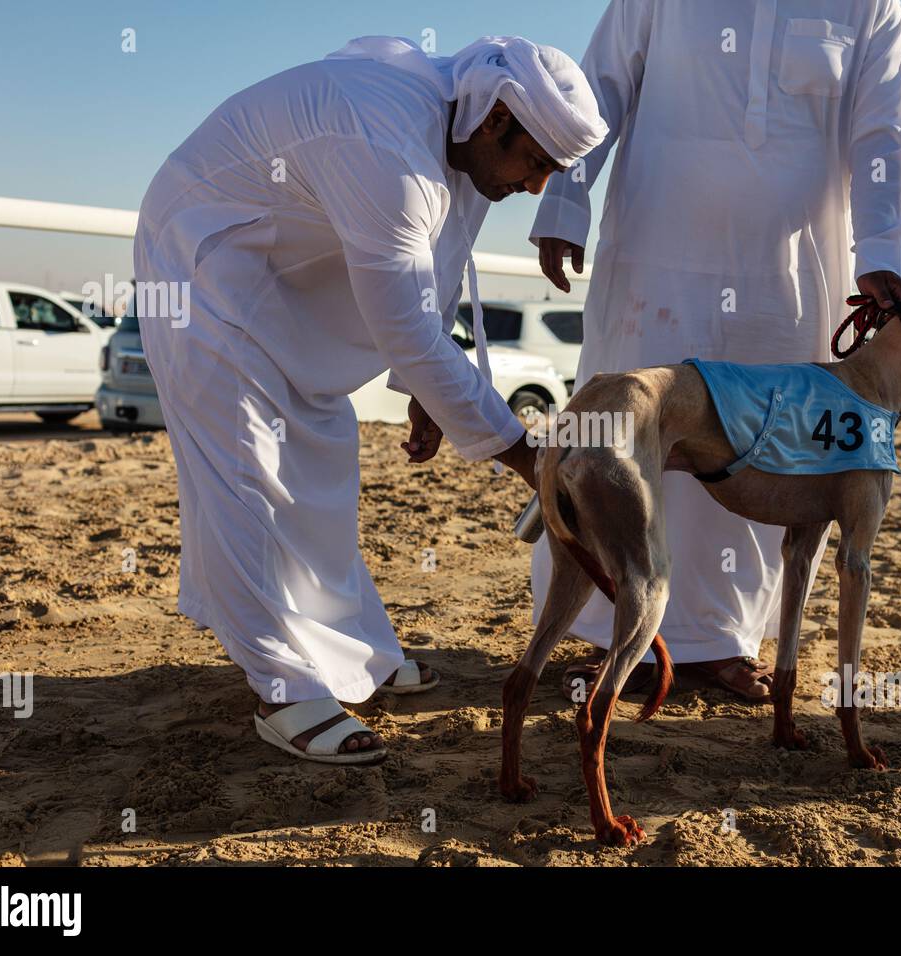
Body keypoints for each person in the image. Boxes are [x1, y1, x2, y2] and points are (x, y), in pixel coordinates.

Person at [133, 36, 606, 763]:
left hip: (284, 271)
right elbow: (408, 329)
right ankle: (283, 689)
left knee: (321, 464)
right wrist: (532, 464)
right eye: (536, 163)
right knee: (248, 475)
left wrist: (421, 390)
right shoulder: (385, 142)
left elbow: (436, 262)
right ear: (496, 123)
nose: (538, 186)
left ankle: (356, 653)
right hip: (201, 261)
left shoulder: (464, 143)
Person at [529, 0, 901, 700]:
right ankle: (613, 635)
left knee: (762, 442)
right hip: (653, 253)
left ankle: (722, 641)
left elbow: (885, 127)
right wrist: (565, 202)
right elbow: (600, 89)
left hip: (792, 274)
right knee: (626, 439)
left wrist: (886, 250)